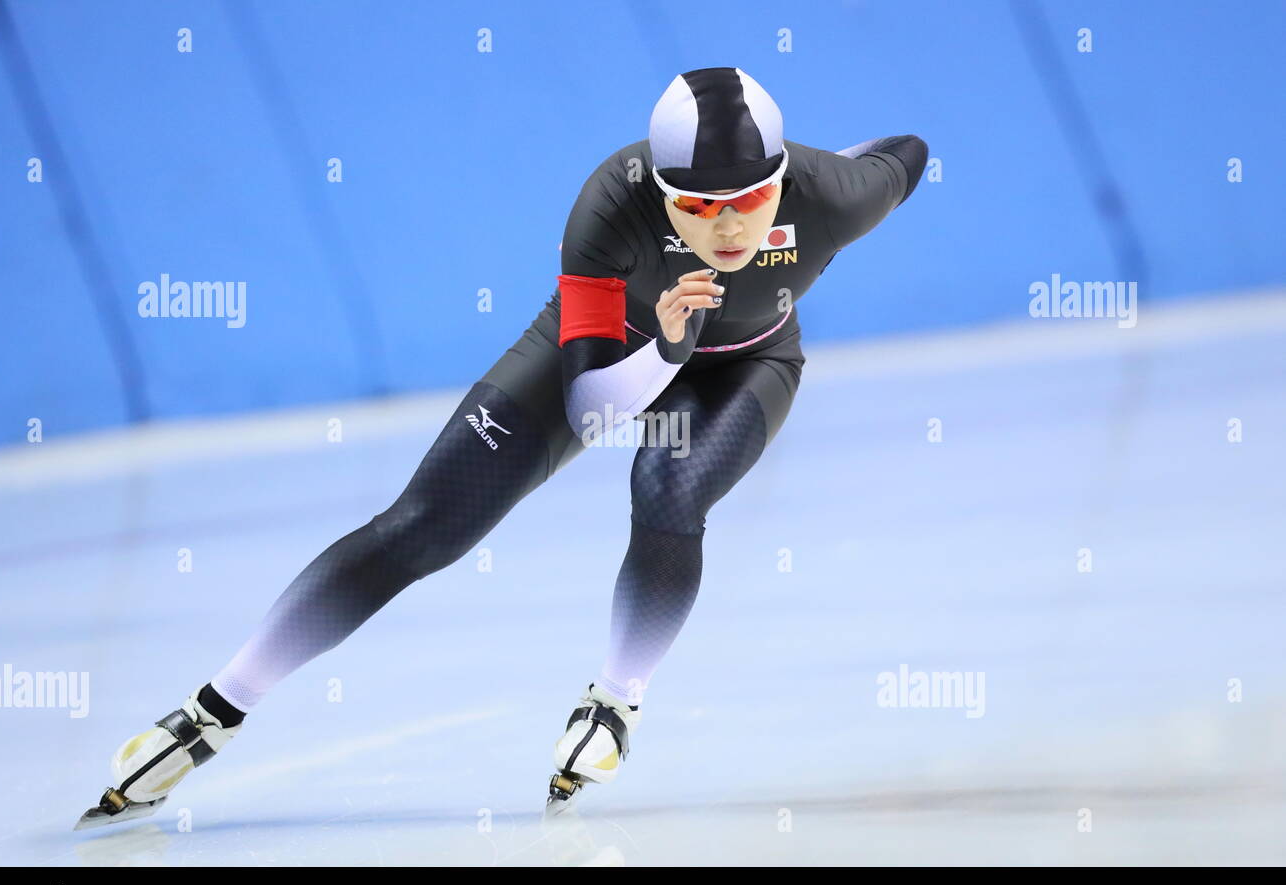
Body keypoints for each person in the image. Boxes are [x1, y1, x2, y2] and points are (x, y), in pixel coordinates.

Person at [76, 66, 928, 827]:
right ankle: (217, 708)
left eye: (751, 199)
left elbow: (907, 153)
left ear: (784, 180)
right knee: (424, 525)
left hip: (744, 368)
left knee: (669, 492)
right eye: (700, 208)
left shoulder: (835, 194)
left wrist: (824, 172)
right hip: (609, 355)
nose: (730, 226)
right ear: (663, 197)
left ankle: (616, 700)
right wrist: (665, 345)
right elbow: (592, 408)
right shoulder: (610, 204)